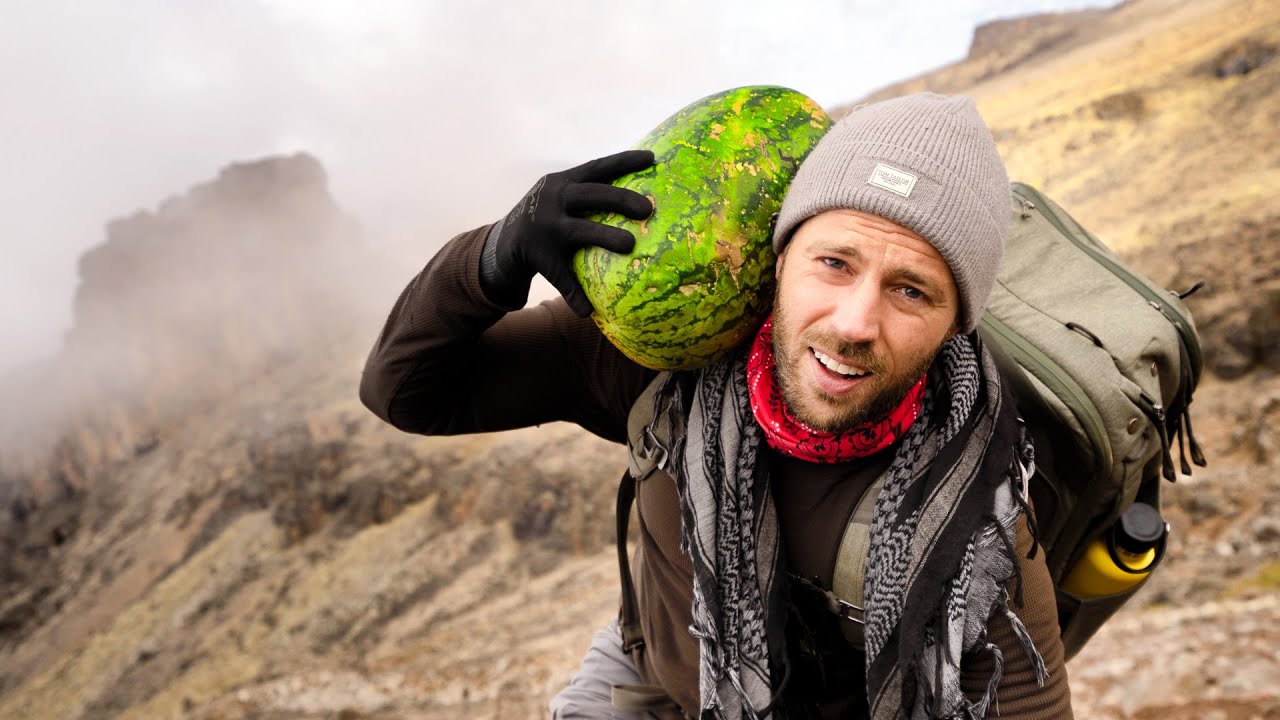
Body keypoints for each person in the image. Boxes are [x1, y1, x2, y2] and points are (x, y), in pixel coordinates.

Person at [360, 93, 1073, 719]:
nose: (855, 323)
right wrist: (490, 258)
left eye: (911, 290)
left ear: (955, 325)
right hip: (644, 688)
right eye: (835, 263)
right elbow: (406, 391)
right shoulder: (665, 365)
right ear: (780, 258)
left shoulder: (978, 536)